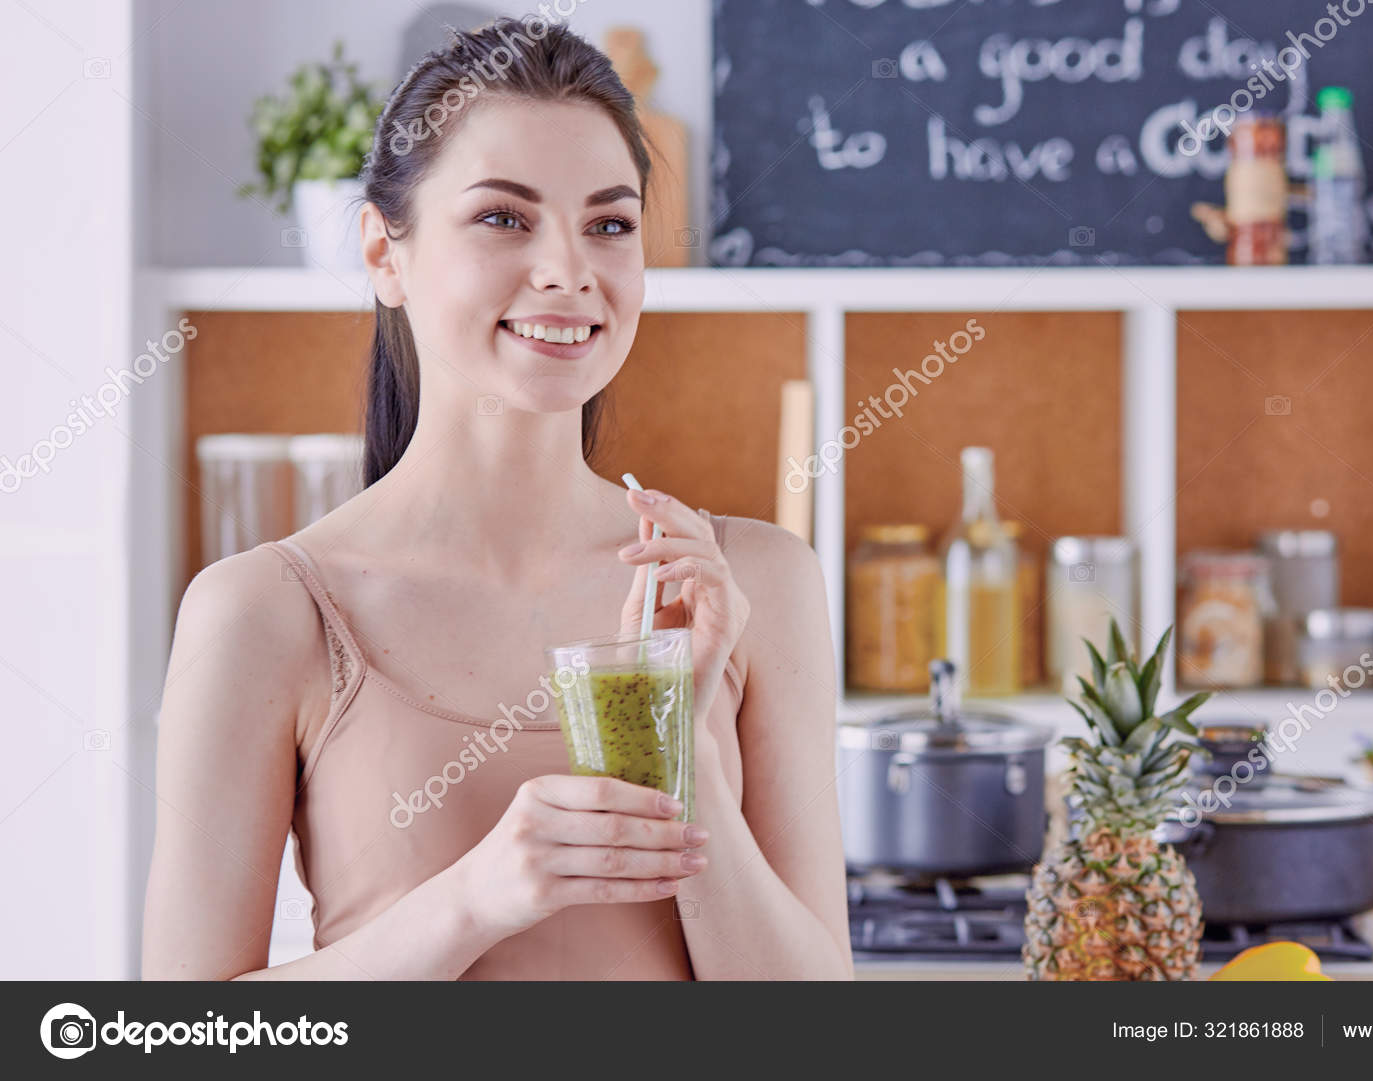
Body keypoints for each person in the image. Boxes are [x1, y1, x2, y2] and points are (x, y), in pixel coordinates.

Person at [142, 18, 850, 980]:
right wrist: (474, 900)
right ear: (384, 254)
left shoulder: (749, 582)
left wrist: (671, 752)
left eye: (610, 224)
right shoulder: (264, 613)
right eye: (503, 218)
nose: (569, 271)